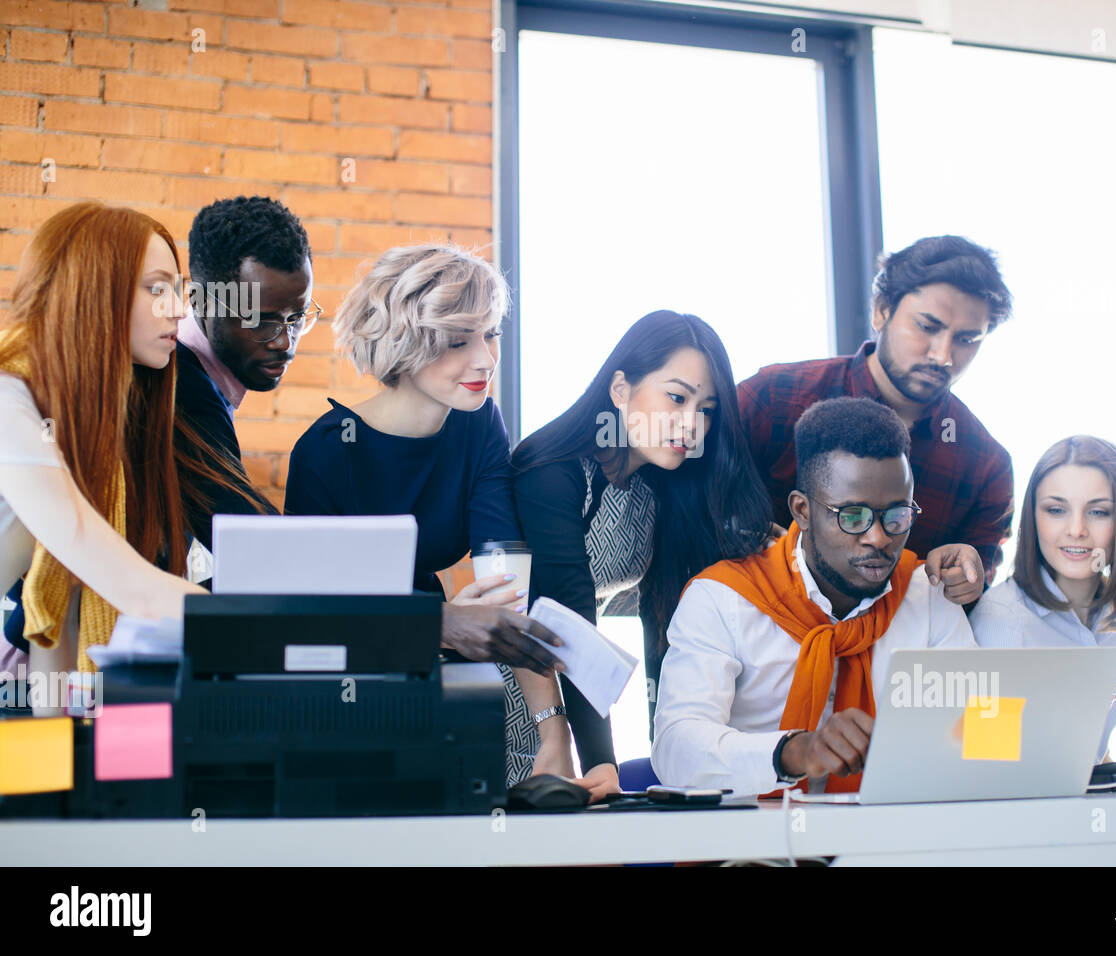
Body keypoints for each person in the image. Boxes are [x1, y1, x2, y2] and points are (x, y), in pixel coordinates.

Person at [284, 243, 575, 788]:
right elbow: (310, 621)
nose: (486, 359)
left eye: (490, 333)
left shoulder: (479, 421)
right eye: (459, 341)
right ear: (405, 342)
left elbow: (503, 578)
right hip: (343, 690)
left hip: (438, 674)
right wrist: (440, 625)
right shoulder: (325, 453)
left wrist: (553, 733)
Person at [651, 396, 979, 795]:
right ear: (802, 511)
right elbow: (676, 751)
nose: (878, 538)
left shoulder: (926, 596)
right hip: (755, 848)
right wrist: (795, 753)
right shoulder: (723, 598)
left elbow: (981, 734)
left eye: (896, 515)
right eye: (852, 517)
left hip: (890, 844)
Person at [512, 310, 774, 792]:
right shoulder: (554, 472)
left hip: (575, 701)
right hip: (519, 705)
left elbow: (662, 621)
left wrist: (670, 753)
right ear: (620, 389)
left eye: (707, 409)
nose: (692, 423)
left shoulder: (654, 486)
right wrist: (601, 762)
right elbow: (573, 620)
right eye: (676, 397)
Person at [0, 202, 205, 686]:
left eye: (179, 292)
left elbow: (58, 611)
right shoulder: (9, 396)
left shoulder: (87, 424)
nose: (178, 309)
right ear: (93, 290)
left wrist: (69, 747)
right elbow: (135, 590)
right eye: (157, 289)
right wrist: (267, 633)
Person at [739, 235, 1014, 595]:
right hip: (741, 634)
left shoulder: (985, 467)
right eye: (928, 327)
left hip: (895, 647)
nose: (943, 355)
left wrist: (965, 577)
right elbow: (689, 505)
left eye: (967, 339)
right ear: (881, 310)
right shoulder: (774, 398)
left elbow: (972, 603)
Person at [970, 436, 1116, 762]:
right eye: (1056, 510)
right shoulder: (1003, 623)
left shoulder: (1107, 614)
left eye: (1098, 512)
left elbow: (1088, 747)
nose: (1077, 529)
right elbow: (988, 765)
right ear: (1033, 518)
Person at [177, 196, 317, 550]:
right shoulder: (178, 384)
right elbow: (248, 543)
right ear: (201, 303)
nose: (285, 342)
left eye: (296, 318)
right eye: (258, 320)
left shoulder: (198, 377)